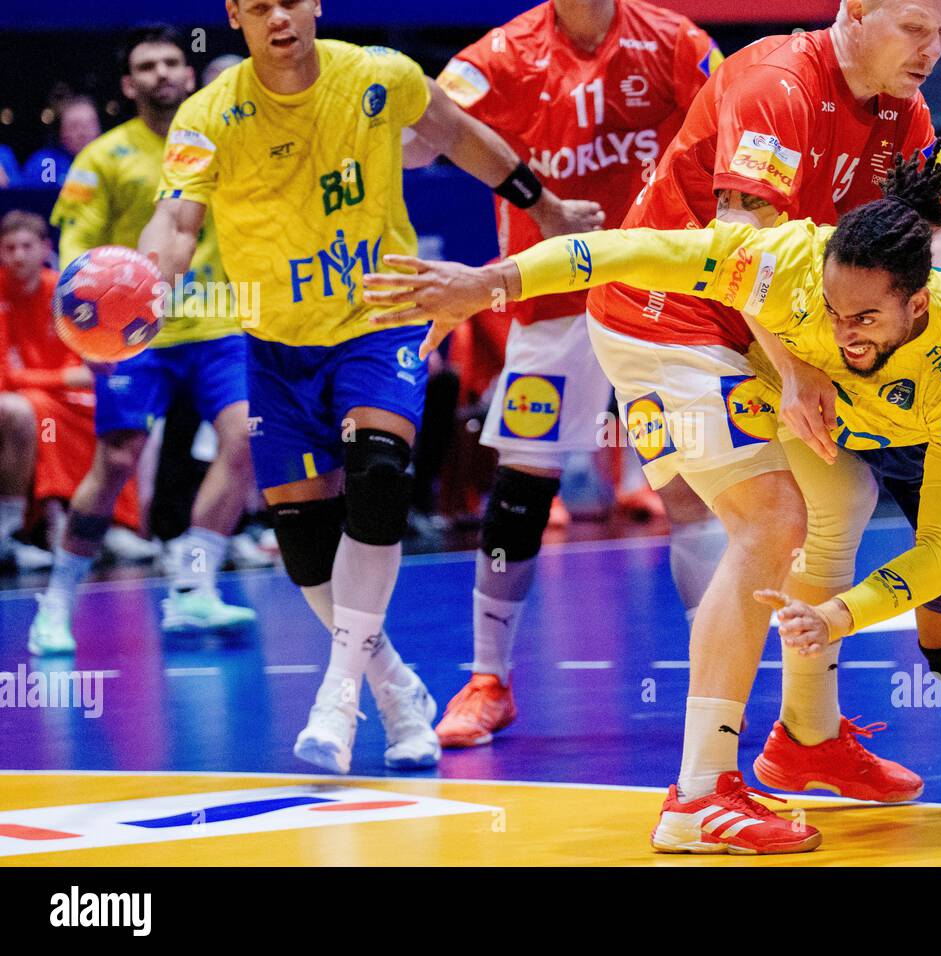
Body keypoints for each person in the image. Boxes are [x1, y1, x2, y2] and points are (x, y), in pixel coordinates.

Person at [364, 150, 941, 855]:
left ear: (915, 306)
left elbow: (939, 552)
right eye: (832, 309)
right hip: (824, 414)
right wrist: (491, 283)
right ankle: (794, 743)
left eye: (864, 318)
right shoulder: (784, 262)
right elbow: (624, 250)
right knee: (792, 517)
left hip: (932, 431)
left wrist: (844, 616)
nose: (842, 329)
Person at [146, 0, 602, 774]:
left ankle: (338, 695)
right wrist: (148, 276)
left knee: (380, 479)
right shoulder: (209, 114)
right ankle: (394, 689)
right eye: (258, 8)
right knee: (304, 544)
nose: (278, 19)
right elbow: (179, 223)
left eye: (288, 2)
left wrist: (546, 207)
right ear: (236, 17)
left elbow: (462, 135)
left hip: (380, 314)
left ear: (312, 4)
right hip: (279, 342)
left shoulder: (378, 76)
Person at [430, 0, 725, 748]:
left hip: (656, 298)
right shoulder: (504, 51)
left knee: (690, 487)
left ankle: (719, 676)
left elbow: (732, 123)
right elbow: (423, 131)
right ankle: (488, 680)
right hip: (549, 302)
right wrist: (390, 113)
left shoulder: (674, 40)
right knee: (522, 487)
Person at [28, 24, 257, 657]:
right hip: (134, 336)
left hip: (217, 322)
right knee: (119, 461)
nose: (162, 73)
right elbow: (72, 247)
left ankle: (191, 587)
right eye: (147, 66)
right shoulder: (102, 158)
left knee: (244, 438)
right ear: (130, 85)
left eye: (172, 63)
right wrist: (94, 309)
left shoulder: (224, 147)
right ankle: (57, 602)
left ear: (189, 76)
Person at [0, 212, 141, 572]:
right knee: (33, 407)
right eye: (9, 248)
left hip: (55, 393)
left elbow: (84, 364)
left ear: (46, 249)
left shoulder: (64, 293)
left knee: (114, 409)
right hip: (27, 394)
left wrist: (66, 380)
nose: (18, 255)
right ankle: (41, 520)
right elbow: (6, 376)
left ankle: (111, 522)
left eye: (26, 246)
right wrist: (63, 380)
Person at [21, 96, 102, 187]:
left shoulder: (111, 160)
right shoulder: (46, 163)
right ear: (61, 131)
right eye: (74, 126)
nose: (82, 134)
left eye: (88, 125)